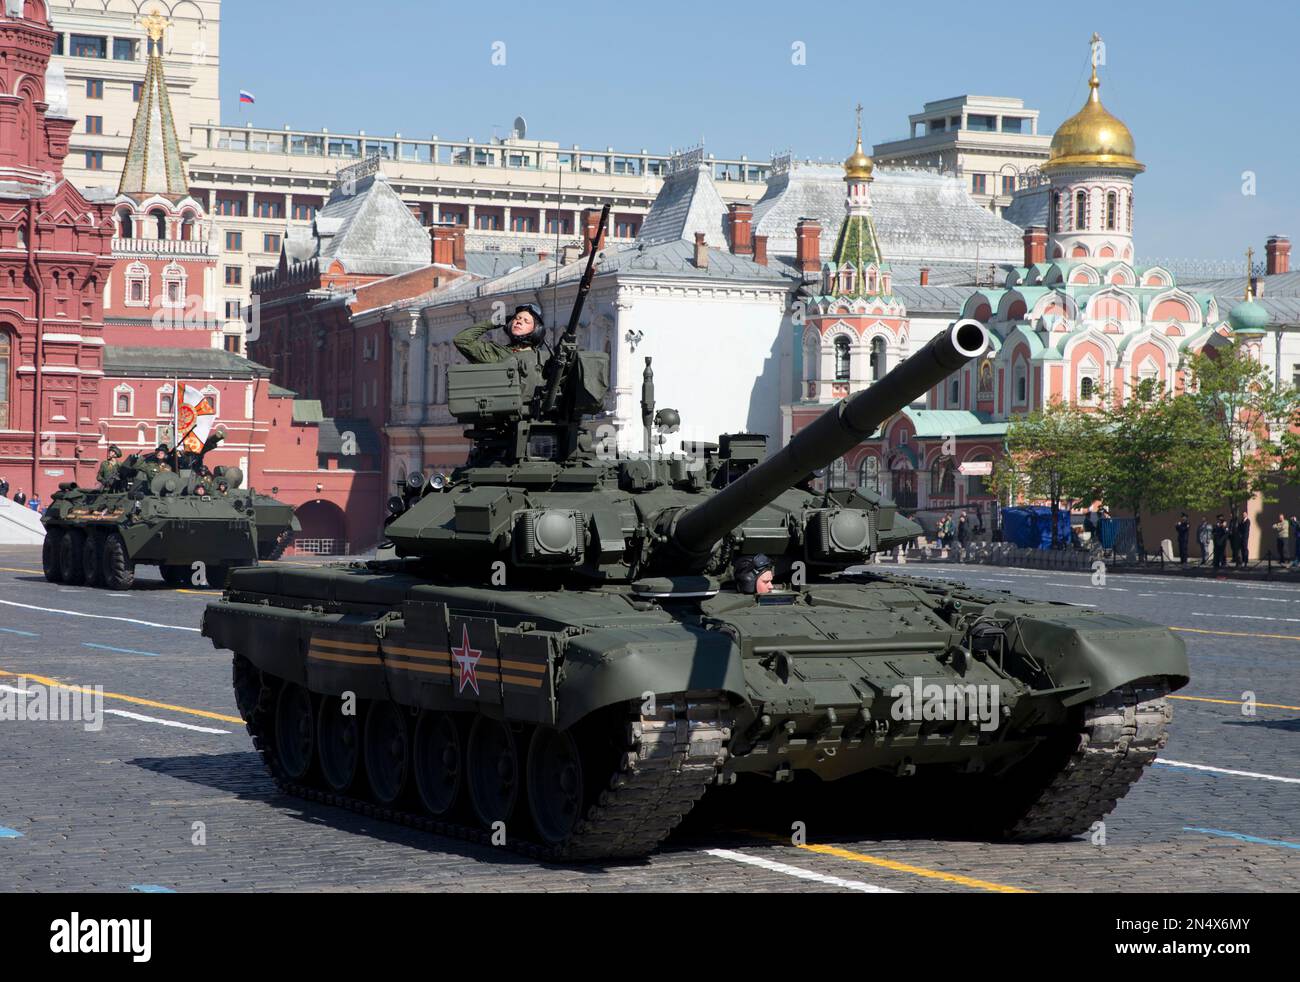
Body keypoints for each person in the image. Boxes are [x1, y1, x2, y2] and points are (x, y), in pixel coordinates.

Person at [453, 304, 548, 368]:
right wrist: (495, 322)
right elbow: (461, 340)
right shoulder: (496, 353)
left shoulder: (542, 359)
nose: (519, 322)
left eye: (526, 321)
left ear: (536, 330)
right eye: (516, 318)